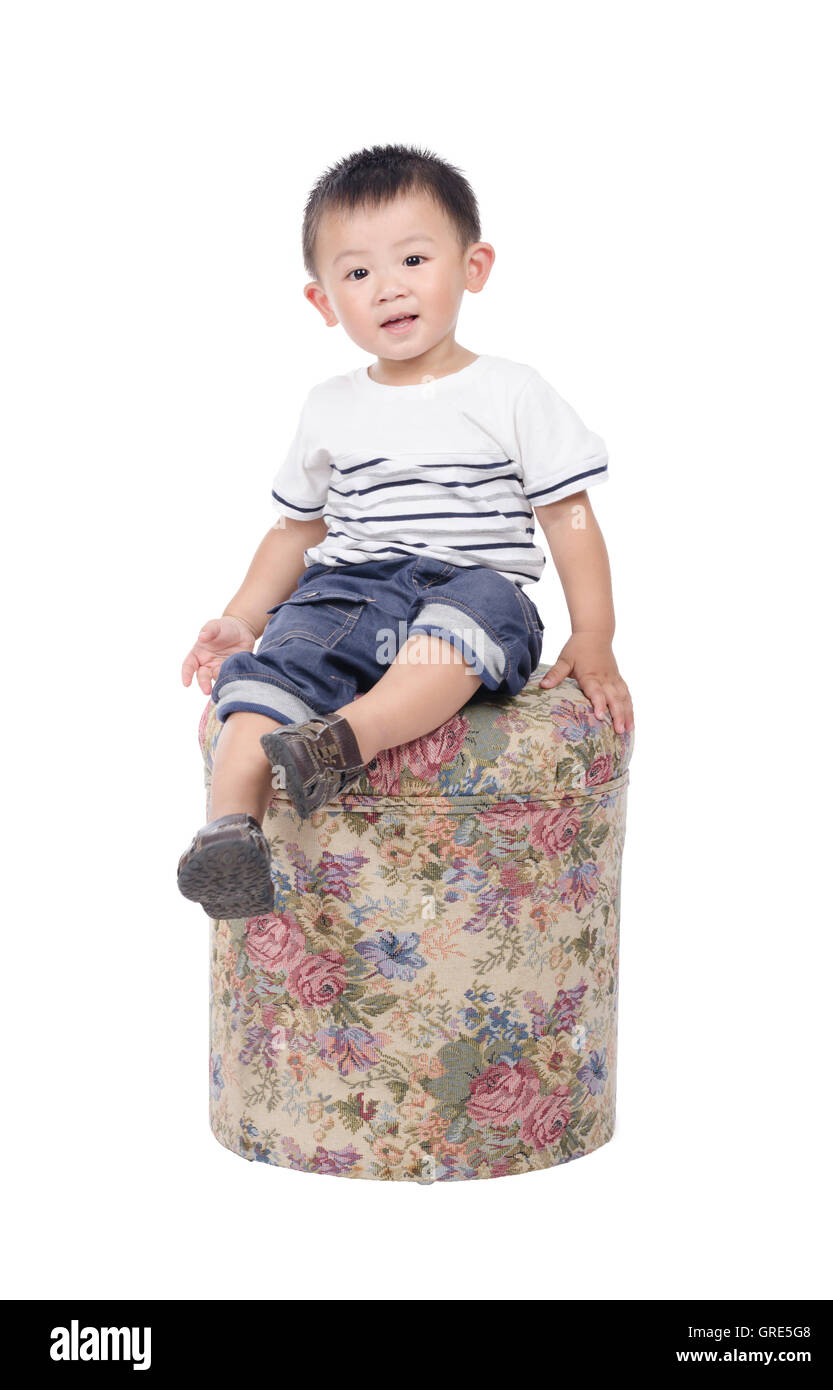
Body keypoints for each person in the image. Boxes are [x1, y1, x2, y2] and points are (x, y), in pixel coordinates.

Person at [177, 143, 634, 920]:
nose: (388, 287)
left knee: (453, 642)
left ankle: (346, 739)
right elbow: (294, 530)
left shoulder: (510, 390)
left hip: (469, 584)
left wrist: (594, 634)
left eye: (413, 259)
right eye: (357, 274)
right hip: (347, 587)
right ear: (324, 302)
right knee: (266, 675)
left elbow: (568, 514)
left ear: (472, 265)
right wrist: (240, 618)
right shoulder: (328, 404)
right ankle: (228, 833)